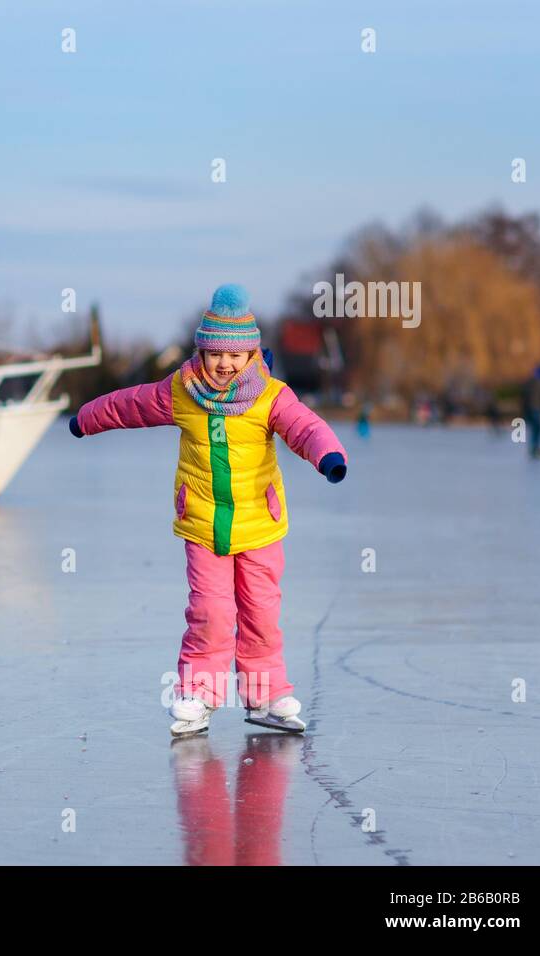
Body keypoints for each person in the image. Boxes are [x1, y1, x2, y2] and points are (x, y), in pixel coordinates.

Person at [67, 284, 347, 737]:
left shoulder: (270, 396)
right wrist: (87, 418)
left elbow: (305, 428)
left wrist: (328, 456)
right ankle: (198, 693)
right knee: (210, 612)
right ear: (202, 352)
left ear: (251, 355)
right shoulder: (183, 391)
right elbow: (129, 404)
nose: (225, 364)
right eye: (215, 354)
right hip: (203, 525)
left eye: (235, 356)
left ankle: (265, 696)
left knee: (259, 612)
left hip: (259, 525)